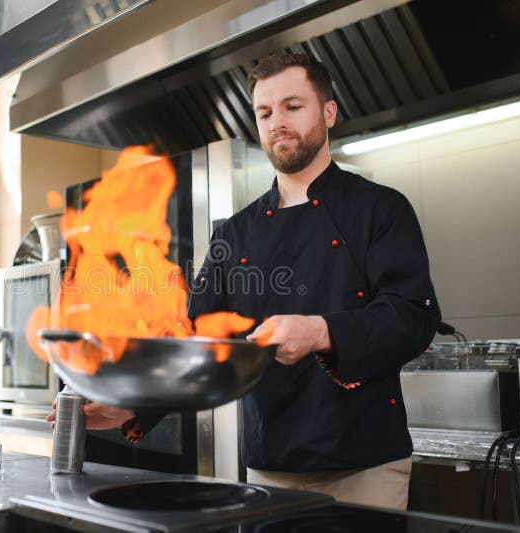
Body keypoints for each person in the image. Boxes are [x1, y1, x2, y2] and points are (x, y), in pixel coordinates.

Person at [47, 52, 441, 510]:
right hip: (268, 464)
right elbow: (193, 342)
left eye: (293, 106)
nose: (278, 122)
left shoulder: (381, 209)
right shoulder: (234, 233)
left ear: (328, 112)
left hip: (364, 466)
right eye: (265, 112)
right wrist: (132, 406)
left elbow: (413, 316)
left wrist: (320, 331)